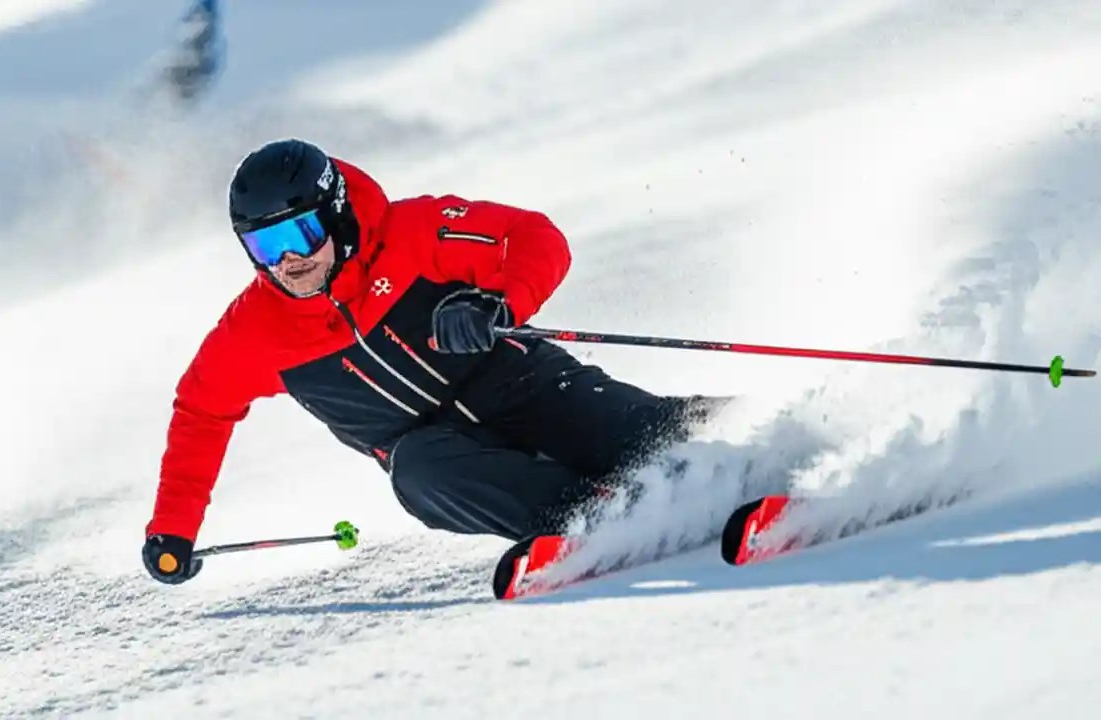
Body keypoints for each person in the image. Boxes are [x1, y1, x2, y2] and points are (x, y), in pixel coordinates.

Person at [141, 139, 720, 584]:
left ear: (336, 213)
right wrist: (174, 528)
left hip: (524, 386)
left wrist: (501, 301)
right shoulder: (256, 331)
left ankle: (763, 444)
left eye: (302, 233)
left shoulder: (412, 234)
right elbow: (200, 412)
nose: (289, 261)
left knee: (640, 434)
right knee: (416, 471)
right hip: (443, 458)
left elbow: (531, 235)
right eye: (266, 247)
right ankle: (596, 517)